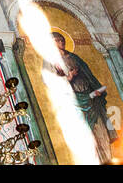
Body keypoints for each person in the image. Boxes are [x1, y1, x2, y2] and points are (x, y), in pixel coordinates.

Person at [49, 32, 114, 163]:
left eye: (62, 39)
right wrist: (69, 77)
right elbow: (53, 86)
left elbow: (88, 75)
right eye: (57, 40)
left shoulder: (74, 57)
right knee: (86, 137)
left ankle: (108, 160)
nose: (62, 42)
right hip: (75, 103)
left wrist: (97, 89)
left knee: (101, 133)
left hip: (91, 98)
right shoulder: (52, 62)